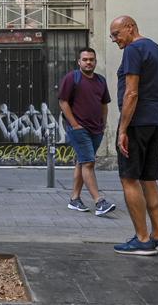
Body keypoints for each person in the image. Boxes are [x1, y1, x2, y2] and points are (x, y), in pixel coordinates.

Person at [110, 16, 158, 256]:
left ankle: (142, 238)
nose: (115, 40)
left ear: (130, 27)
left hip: (136, 122)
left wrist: (123, 129)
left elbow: (131, 92)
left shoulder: (133, 49)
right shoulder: (157, 50)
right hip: (155, 122)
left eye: (116, 34)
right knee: (149, 179)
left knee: (129, 179)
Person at [59, 47, 116, 216]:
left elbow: (104, 104)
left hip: (96, 129)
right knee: (89, 163)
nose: (88, 62)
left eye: (91, 59)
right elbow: (63, 102)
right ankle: (99, 202)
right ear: (79, 62)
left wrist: (103, 124)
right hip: (79, 129)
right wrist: (75, 125)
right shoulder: (72, 78)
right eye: (85, 59)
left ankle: (74, 199)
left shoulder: (100, 81)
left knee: (82, 162)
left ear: (95, 62)